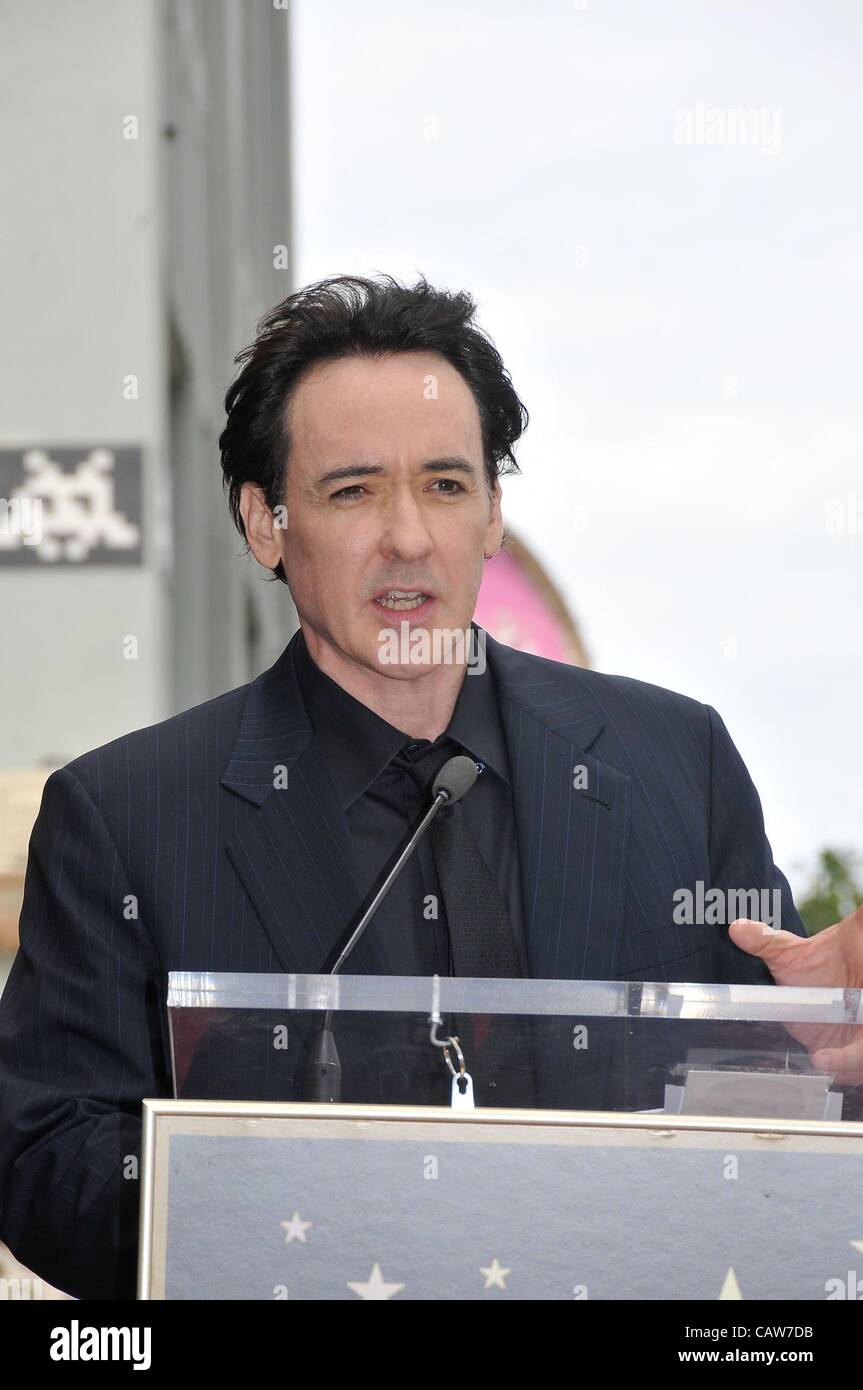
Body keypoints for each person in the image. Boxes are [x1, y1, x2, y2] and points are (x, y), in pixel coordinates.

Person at [0, 274, 860, 1300]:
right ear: (266, 524)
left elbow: (767, 1116)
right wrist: (265, 1218)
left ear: (493, 515)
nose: (407, 537)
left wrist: (818, 1051)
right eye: (352, 490)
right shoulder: (126, 815)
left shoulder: (675, 760)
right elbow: (45, 1152)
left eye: (446, 485)